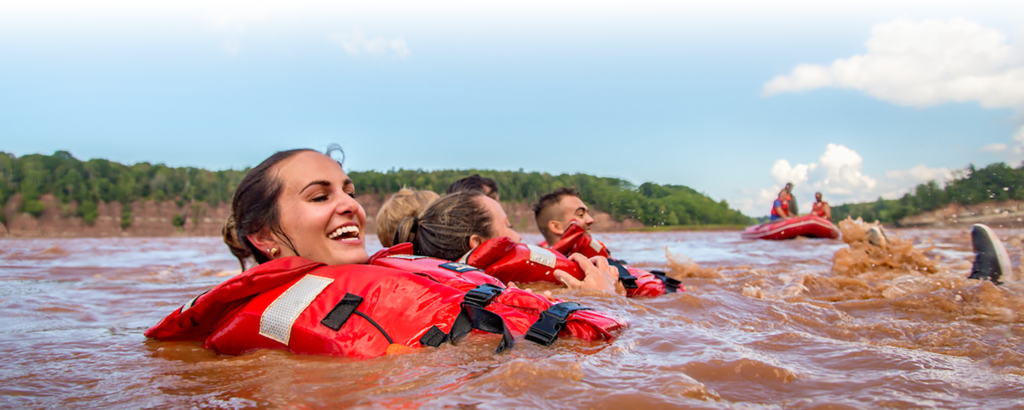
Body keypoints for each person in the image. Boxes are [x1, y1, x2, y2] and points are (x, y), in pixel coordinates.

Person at [145, 148, 623, 358]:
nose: (350, 204)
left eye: (347, 191)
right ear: (264, 236)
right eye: (319, 196)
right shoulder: (280, 329)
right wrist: (605, 301)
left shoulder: (389, 275)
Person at [531, 187, 679, 295]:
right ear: (556, 226)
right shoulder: (535, 266)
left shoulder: (605, 262)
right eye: (581, 214)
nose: (591, 220)